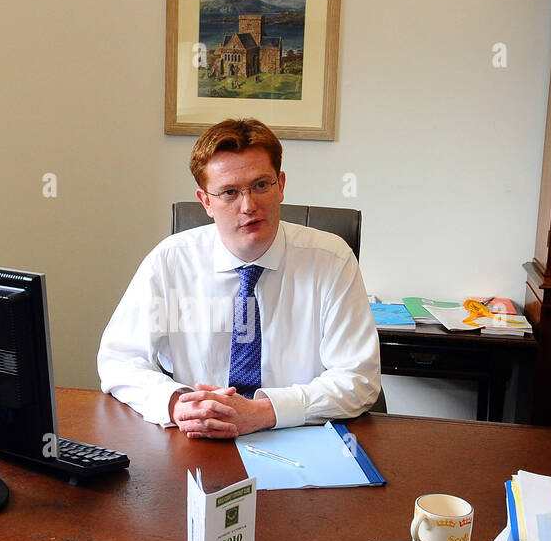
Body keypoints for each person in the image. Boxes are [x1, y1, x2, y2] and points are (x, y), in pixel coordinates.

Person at [97, 118, 380, 438]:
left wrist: (264, 411)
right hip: (198, 436)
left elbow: (359, 378)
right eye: (229, 192)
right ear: (206, 202)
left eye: (261, 185)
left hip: (299, 435)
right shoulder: (171, 261)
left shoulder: (331, 260)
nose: (249, 206)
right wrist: (178, 404)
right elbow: (119, 360)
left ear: (281, 185)